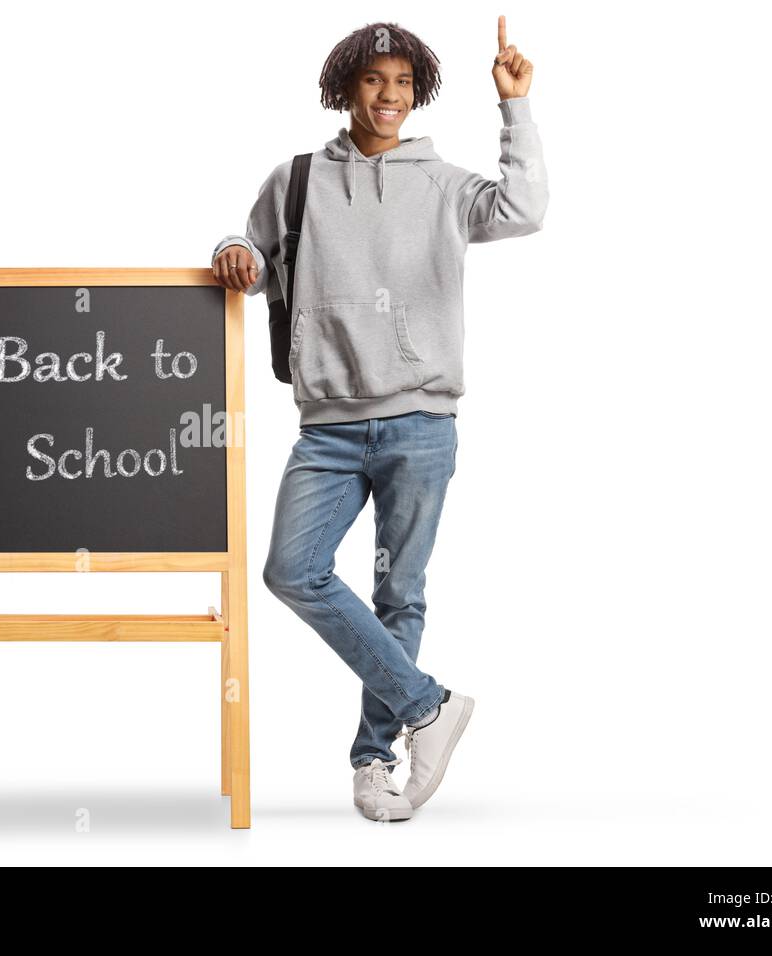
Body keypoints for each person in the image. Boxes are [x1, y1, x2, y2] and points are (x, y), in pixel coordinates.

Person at [211, 17, 548, 821]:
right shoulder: (297, 180)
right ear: (345, 88)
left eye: (402, 84)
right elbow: (252, 256)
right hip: (326, 429)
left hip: (421, 423)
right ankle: (429, 706)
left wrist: (516, 109)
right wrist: (232, 247)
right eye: (374, 81)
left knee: (400, 593)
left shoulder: (444, 185)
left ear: (418, 92)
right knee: (293, 571)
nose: (389, 97)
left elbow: (525, 209)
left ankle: (375, 760)